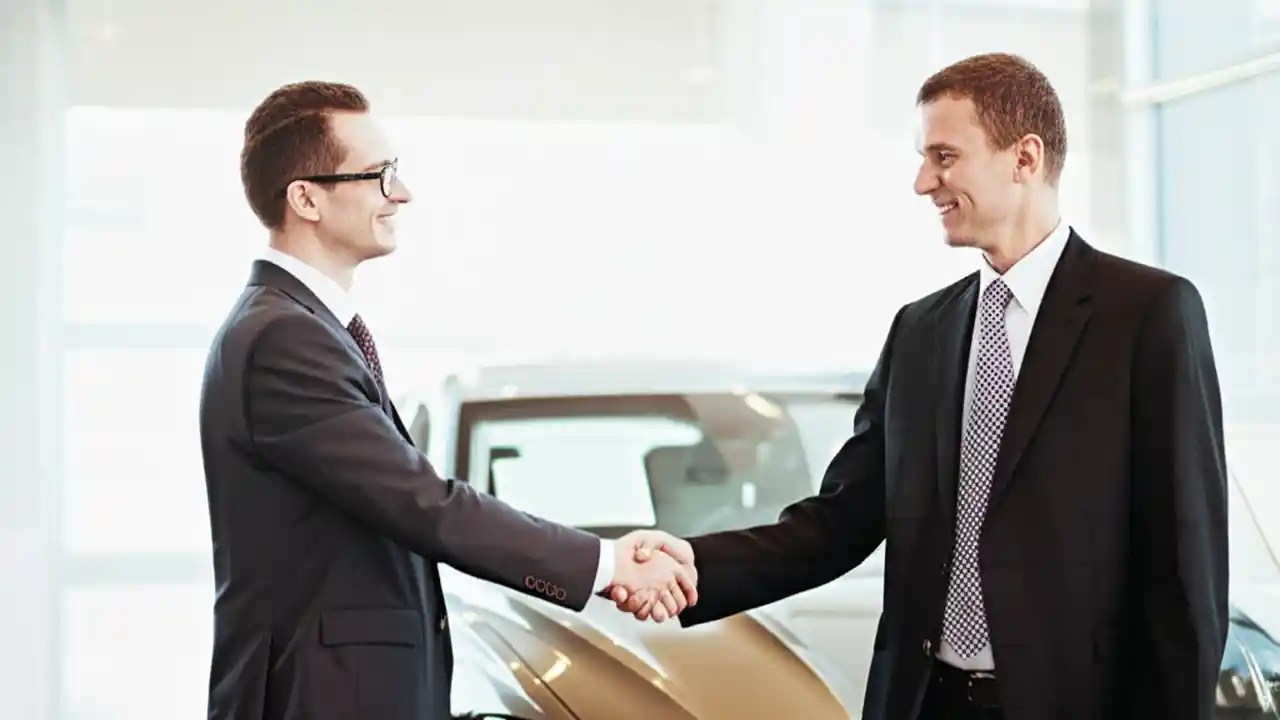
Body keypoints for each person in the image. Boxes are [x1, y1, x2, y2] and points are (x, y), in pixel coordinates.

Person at [613, 52, 1229, 720]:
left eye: (943, 156)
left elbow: (1184, 575)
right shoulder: (921, 332)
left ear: (1024, 158)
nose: (922, 182)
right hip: (921, 703)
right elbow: (839, 522)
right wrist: (695, 566)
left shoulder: (1146, 314)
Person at [198, 81, 696, 720]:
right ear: (306, 199)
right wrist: (607, 565)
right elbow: (423, 504)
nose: (400, 193)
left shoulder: (298, 327)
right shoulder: (284, 338)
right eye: (379, 175)